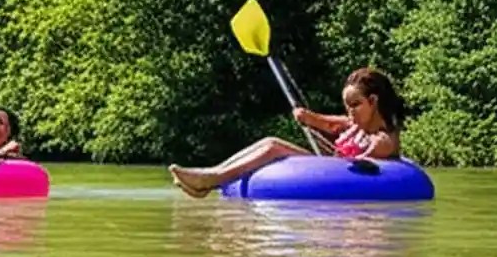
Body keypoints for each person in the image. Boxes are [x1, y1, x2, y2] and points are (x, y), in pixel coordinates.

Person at [168, 67, 407, 198]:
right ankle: (212, 176)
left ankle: (209, 180)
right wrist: (306, 117)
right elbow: (330, 124)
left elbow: (354, 163)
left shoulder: (384, 139)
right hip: (330, 170)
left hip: (344, 181)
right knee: (270, 141)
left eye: (355, 105)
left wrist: (337, 148)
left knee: (275, 148)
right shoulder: (354, 124)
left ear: (373, 101)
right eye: (347, 106)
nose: (350, 112)